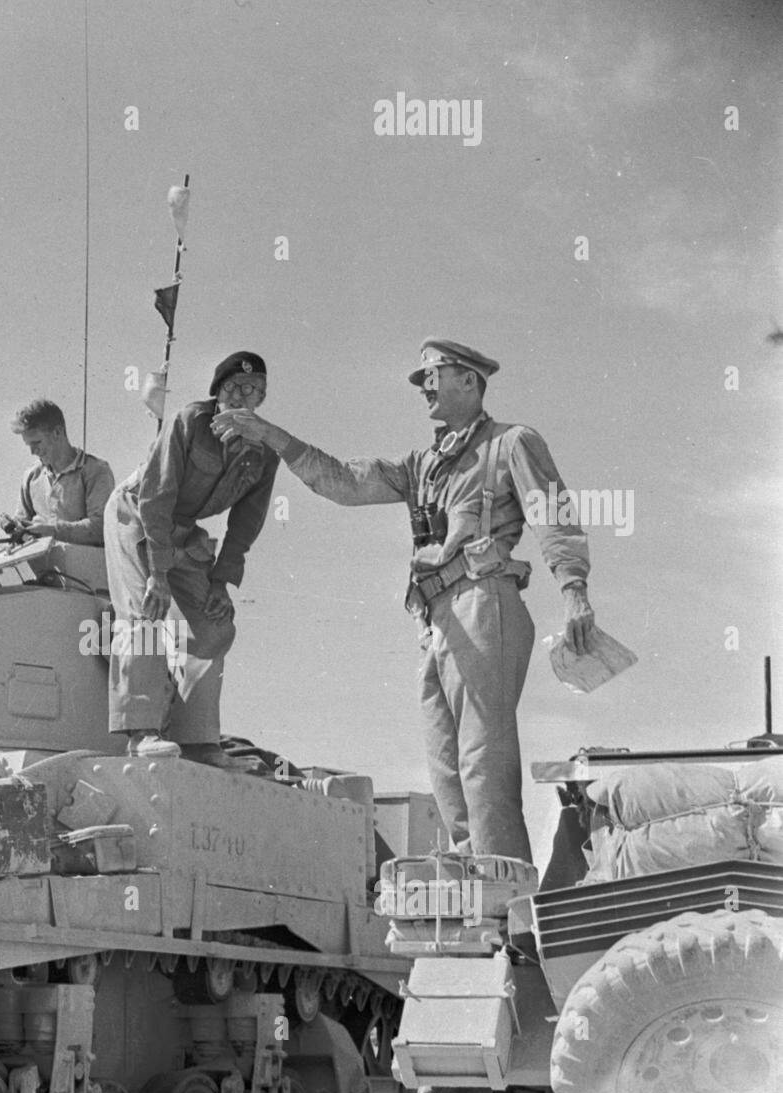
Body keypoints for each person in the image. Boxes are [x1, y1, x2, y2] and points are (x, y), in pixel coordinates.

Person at [212, 338, 595, 859]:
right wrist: (270, 435)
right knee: (445, 762)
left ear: (470, 380)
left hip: (484, 600)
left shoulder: (513, 443)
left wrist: (573, 589)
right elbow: (344, 481)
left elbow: (554, 515)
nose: (424, 389)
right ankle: (472, 877)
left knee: (482, 756)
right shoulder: (422, 465)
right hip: (435, 616)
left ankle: (504, 884)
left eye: (433, 376)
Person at [106, 351, 280, 766]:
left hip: (184, 526)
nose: (243, 397)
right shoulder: (189, 422)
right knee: (144, 614)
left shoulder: (264, 452)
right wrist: (159, 575)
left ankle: (199, 739)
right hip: (137, 514)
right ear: (217, 391)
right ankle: (142, 731)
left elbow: (246, 523)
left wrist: (220, 581)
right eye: (235, 387)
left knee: (214, 623)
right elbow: (157, 494)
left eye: (254, 391)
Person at [10, 398, 115, 546]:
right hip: (41, 566)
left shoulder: (95, 470)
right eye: (28, 445)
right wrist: (14, 528)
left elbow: (101, 528)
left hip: (84, 566)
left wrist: (53, 531)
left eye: (37, 443)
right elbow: (21, 522)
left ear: (57, 432)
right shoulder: (31, 477)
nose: (32, 452)